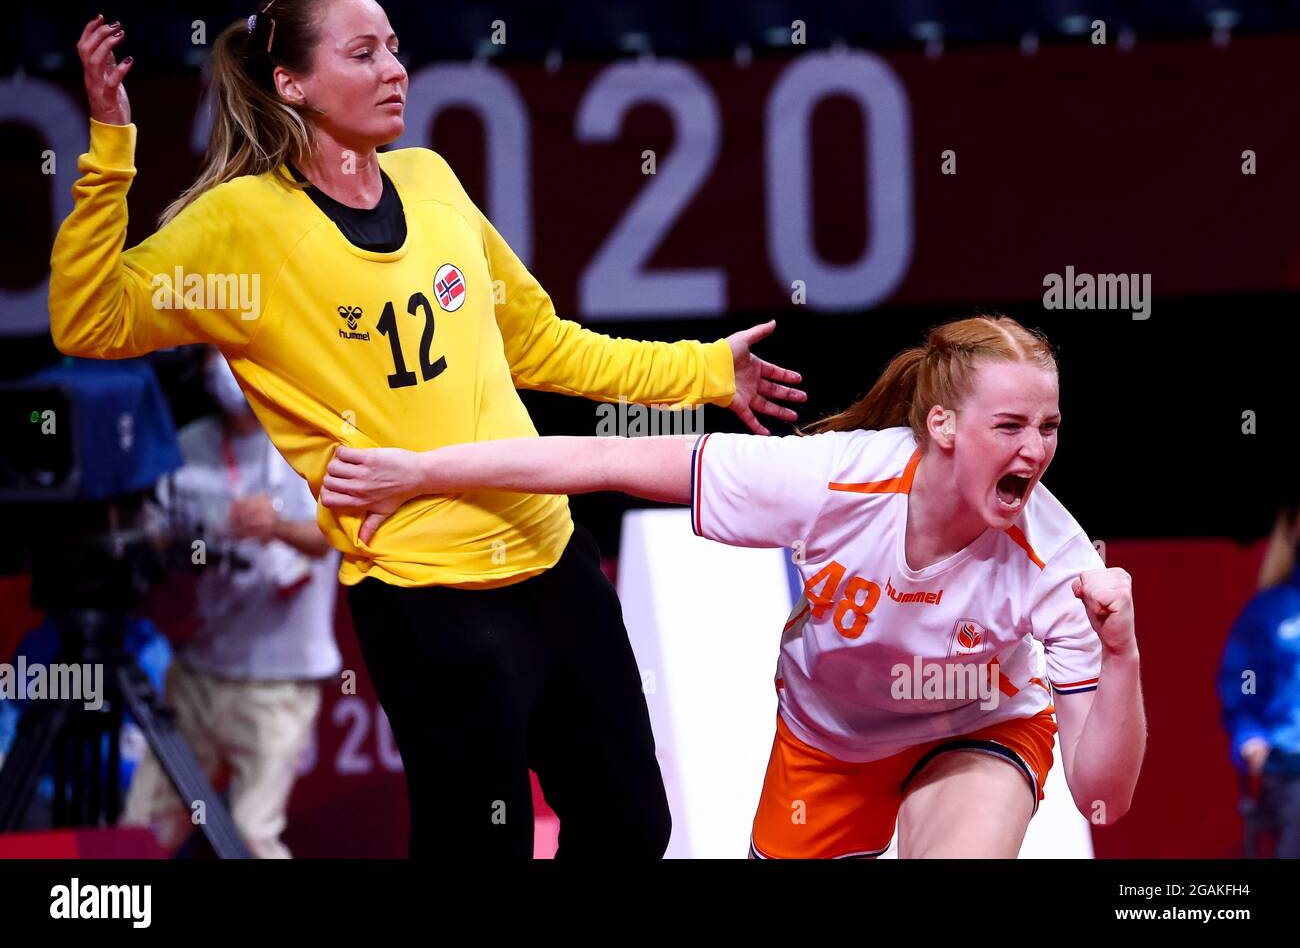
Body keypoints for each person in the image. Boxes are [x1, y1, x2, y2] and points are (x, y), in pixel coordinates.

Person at [50, 0, 805, 857]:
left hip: (555, 564)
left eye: (396, 48)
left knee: (633, 827)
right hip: (426, 601)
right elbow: (90, 321)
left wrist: (702, 370)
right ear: (292, 83)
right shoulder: (241, 227)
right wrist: (111, 147)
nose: (395, 69)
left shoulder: (433, 180)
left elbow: (543, 345)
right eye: (364, 53)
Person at [318, 314, 1147, 858]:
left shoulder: (1062, 566)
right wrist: (421, 470)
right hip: (829, 743)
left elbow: (1104, 797)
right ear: (942, 426)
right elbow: (603, 461)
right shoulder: (830, 479)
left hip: (978, 726)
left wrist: (1123, 654)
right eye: (1011, 426)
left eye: (1048, 427)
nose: (1035, 450)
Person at [121, 350, 340, 858]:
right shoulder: (186, 447)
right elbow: (154, 539)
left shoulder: (308, 441)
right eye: (214, 355)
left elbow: (332, 538)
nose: (226, 367)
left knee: (250, 834)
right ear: (202, 370)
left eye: (237, 352)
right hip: (198, 671)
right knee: (143, 829)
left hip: (279, 679)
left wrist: (279, 526)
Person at [1218, 499, 1300, 858]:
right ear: (1294, 526)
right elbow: (1244, 683)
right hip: (1291, 769)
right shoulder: (1270, 610)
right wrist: (1250, 738)